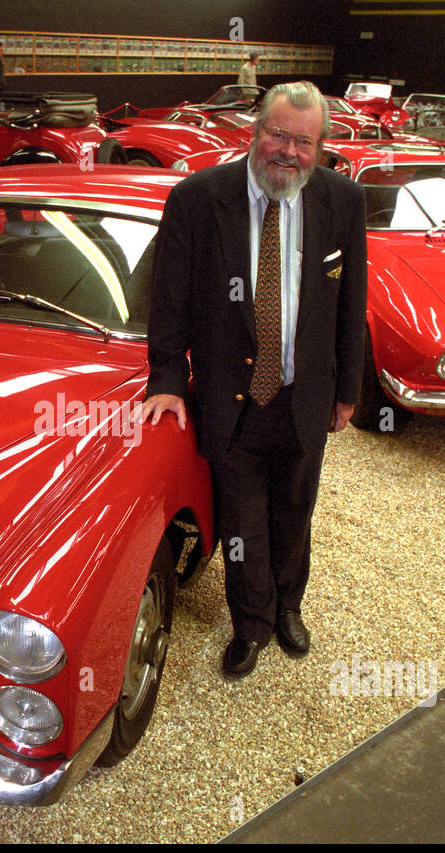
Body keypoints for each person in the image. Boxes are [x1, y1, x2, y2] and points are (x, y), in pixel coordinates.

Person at [136, 81, 367, 679]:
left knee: (295, 511)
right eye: (278, 134)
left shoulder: (343, 202)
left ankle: (289, 607)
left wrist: (348, 392)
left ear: (320, 145)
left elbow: (351, 304)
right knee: (240, 522)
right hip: (229, 398)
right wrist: (165, 376)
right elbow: (169, 299)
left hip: (304, 395)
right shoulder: (197, 198)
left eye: (304, 141)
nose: (288, 152)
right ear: (254, 131)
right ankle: (251, 624)